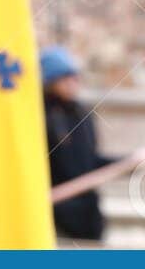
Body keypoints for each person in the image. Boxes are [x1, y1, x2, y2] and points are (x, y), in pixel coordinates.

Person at [41, 46, 117, 243]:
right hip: (54, 213)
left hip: (87, 213)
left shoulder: (82, 115)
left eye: (75, 77)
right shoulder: (40, 117)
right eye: (65, 77)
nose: (73, 83)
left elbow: (91, 162)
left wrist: (132, 162)